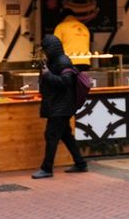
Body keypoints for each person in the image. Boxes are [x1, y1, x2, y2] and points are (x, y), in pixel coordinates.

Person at [31, 34, 88, 179]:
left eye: (44, 49)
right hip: (59, 105)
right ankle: (80, 163)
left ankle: (47, 168)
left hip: (61, 106)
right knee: (65, 135)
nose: (43, 53)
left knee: (51, 135)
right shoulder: (54, 60)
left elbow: (66, 82)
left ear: (51, 49)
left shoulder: (63, 61)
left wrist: (47, 74)